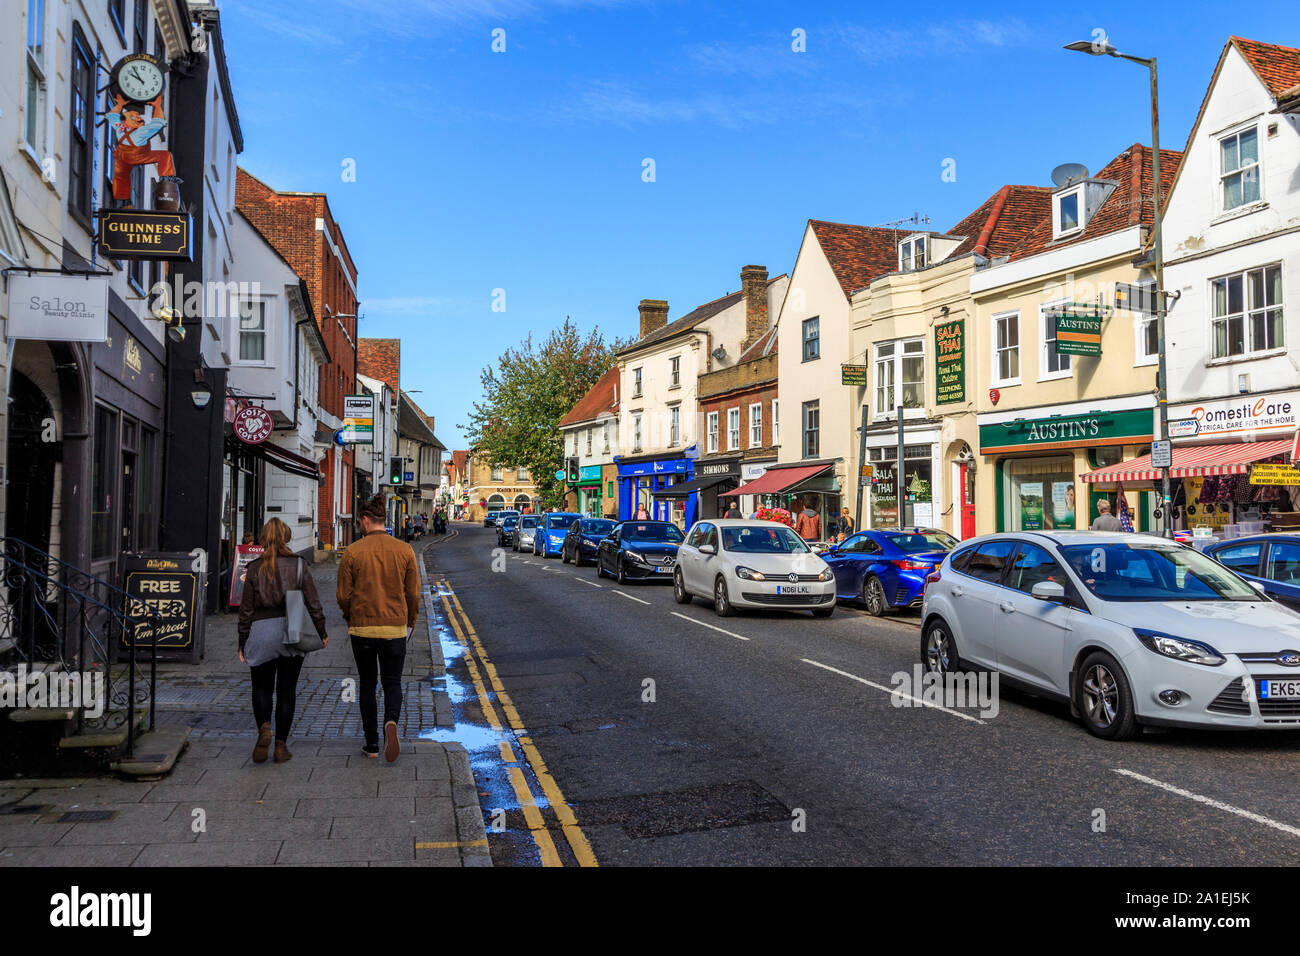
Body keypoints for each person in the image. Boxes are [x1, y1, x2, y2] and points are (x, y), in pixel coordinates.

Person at [238, 518, 328, 764]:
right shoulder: (299, 565)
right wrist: (321, 632)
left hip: (261, 630)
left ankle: (264, 728)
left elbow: (246, 610)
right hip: (293, 627)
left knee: (261, 688)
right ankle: (280, 747)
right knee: (287, 691)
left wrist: (242, 641)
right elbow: (312, 602)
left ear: (264, 538)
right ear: (287, 537)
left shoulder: (255, 568)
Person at [338, 494, 420, 761]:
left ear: (364, 520)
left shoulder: (353, 551)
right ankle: (391, 722)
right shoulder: (405, 550)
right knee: (393, 682)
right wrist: (411, 621)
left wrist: (349, 614)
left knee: (367, 684)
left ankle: (372, 745)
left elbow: (343, 594)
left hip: (362, 628)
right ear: (383, 521)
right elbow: (413, 594)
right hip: (395, 628)